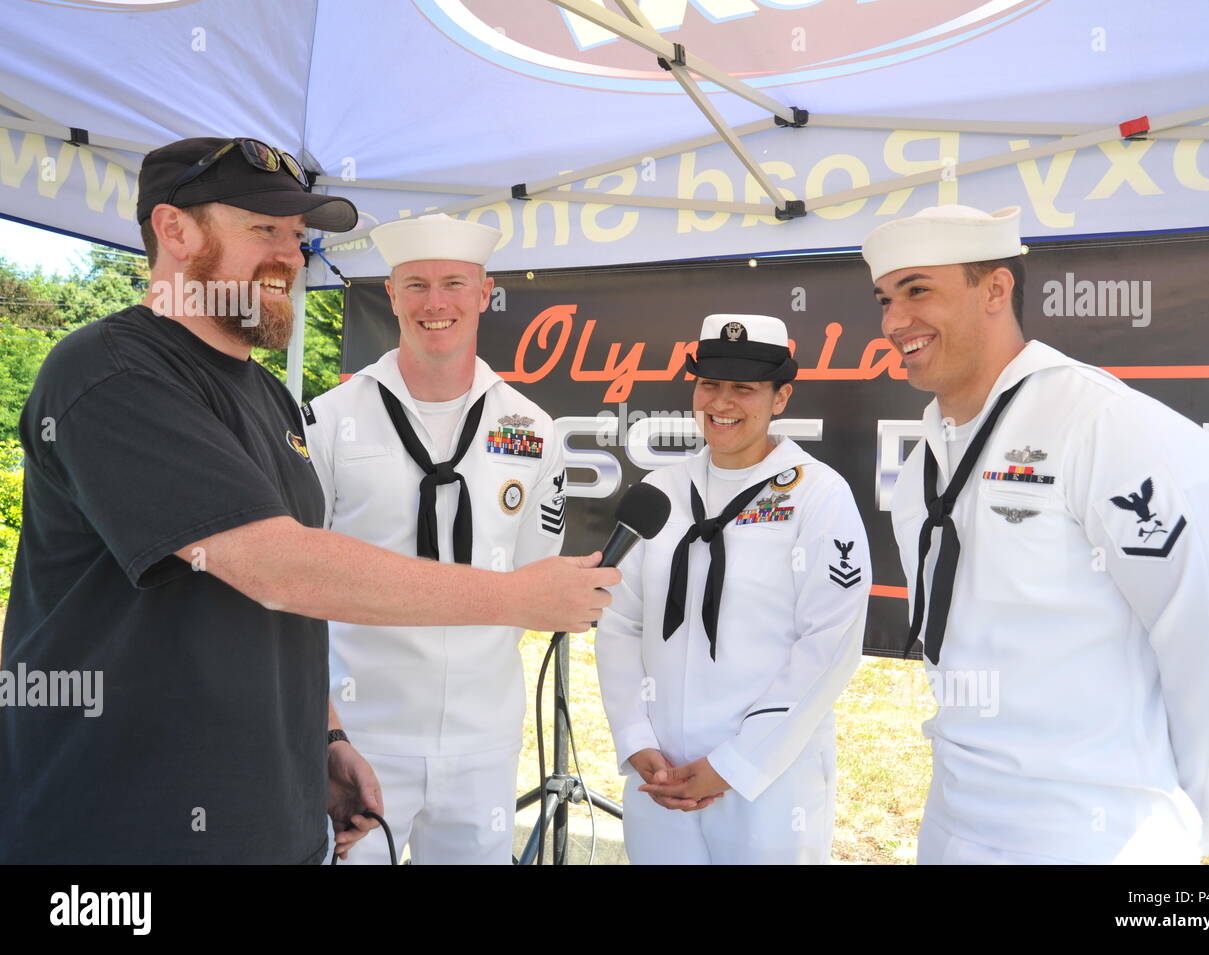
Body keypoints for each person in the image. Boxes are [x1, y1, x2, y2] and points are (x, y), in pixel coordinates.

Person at [0, 137, 617, 864]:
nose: (291, 258)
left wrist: (323, 737)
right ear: (174, 230)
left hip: (274, 820)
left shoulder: (272, 400)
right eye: (263, 229)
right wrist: (513, 597)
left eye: (296, 237)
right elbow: (278, 566)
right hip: (124, 828)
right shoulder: (111, 370)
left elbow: (281, 606)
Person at [862, 203, 1209, 864]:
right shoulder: (923, 465)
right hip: (949, 828)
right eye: (886, 299)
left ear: (996, 289)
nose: (894, 321)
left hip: (1099, 839)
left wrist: (1181, 835)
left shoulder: (1106, 426)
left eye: (918, 290)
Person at [303, 213, 567, 865]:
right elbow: (295, 585)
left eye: (454, 282)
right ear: (390, 295)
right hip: (360, 737)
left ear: (485, 292)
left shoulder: (532, 429)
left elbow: (532, 584)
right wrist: (325, 727)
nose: (436, 302)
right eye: (415, 284)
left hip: (484, 741)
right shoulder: (329, 421)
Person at [596, 314, 871, 864]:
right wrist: (634, 738)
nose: (722, 402)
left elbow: (830, 644)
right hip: (663, 777)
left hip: (768, 782)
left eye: (744, 388)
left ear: (781, 397)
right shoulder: (661, 489)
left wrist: (735, 765)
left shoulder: (818, 494)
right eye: (709, 385)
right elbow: (621, 622)